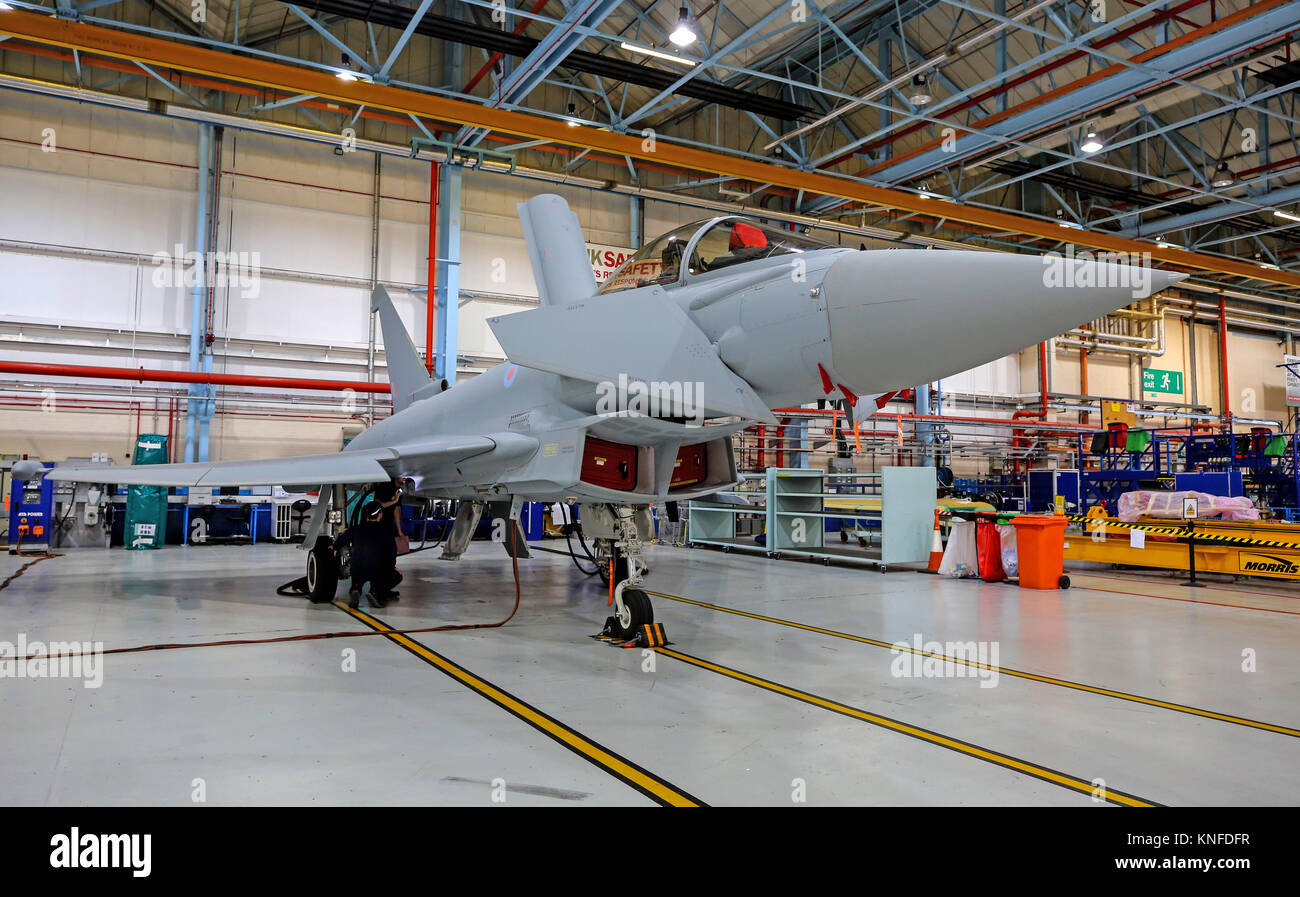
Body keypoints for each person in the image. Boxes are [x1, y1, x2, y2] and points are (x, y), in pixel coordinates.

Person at [346, 482, 404, 608]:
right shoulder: (385, 531)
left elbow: (343, 539)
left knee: (358, 574)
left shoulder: (357, 528)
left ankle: (356, 589)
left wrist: (334, 547)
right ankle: (376, 591)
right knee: (394, 575)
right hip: (376, 569)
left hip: (357, 568)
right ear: (380, 515)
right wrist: (392, 567)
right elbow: (391, 553)